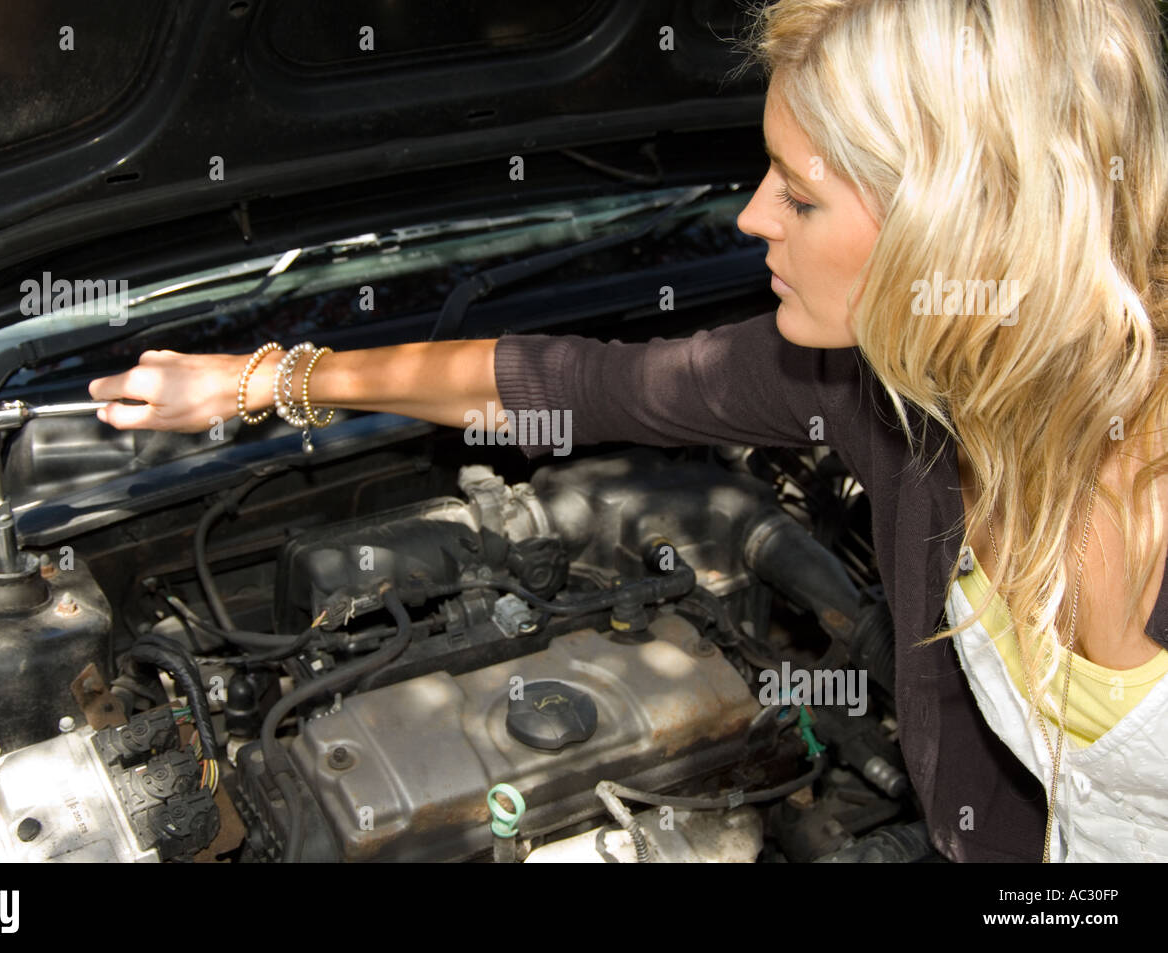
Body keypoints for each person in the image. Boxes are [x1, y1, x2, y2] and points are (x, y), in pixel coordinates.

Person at [88, 0, 1168, 862]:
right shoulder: (872, 381)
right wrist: (270, 378)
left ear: (958, 225)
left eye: (797, 195)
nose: (750, 219)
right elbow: (580, 383)